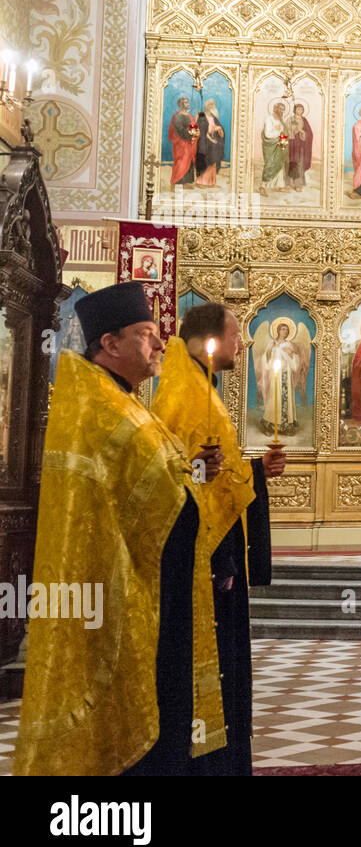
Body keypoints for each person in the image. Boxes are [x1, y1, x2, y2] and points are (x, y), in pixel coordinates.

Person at [14, 282, 226, 775]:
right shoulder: (102, 408)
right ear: (109, 344)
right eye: (147, 334)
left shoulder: (124, 400)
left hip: (162, 594)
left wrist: (191, 468)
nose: (158, 344)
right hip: (134, 597)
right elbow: (116, 502)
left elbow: (149, 481)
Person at [153, 301, 286, 776]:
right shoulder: (187, 394)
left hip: (215, 554)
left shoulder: (197, 387)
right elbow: (180, 478)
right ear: (211, 338)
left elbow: (212, 471)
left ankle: (222, 761)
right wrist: (221, 562)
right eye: (235, 335)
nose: (240, 343)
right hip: (204, 559)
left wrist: (256, 470)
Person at [195, 99, 225, 188]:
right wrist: (213, 131)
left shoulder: (214, 117)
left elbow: (220, 130)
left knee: (214, 161)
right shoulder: (202, 117)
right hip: (205, 143)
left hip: (213, 144)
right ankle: (201, 182)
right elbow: (202, 131)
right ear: (207, 106)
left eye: (213, 105)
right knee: (206, 161)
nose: (212, 106)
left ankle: (211, 182)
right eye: (210, 105)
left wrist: (219, 130)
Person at [259, 100, 287, 193]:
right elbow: (267, 134)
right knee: (269, 164)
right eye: (280, 109)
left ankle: (280, 185)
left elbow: (283, 133)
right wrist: (278, 132)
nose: (281, 111)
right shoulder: (269, 119)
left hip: (279, 145)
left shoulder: (281, 120)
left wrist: (283, 145)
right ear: (275, 109)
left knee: (280, 163)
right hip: (270, 146)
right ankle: (263, 187)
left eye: (283, 110)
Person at [169, 96, 198, 186]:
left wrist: (195, 131)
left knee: (189, 160)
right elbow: (179, 130)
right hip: (181, 143)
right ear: (181, 104)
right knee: (182, 160)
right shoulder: (177, 116)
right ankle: (178, 180)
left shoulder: (189, 115)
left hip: (188, 142)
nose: (188, 104)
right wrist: (189, 134)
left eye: (188, 102)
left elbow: (193, 126)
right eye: (185, 102)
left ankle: (187, 181)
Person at [285, 102, 313, 192]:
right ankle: (289, 184)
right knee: (291, 163)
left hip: (300, 146)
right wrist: (293, 131)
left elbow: (310, 133)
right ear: (294, 110)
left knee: (299, 164)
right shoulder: (290, 119)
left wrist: (303, 132)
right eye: (298, 109)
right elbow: (285, 131)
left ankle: (298, 184)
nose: (299, 111)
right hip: (291, 144)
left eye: (301, 109)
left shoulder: (304, 120)